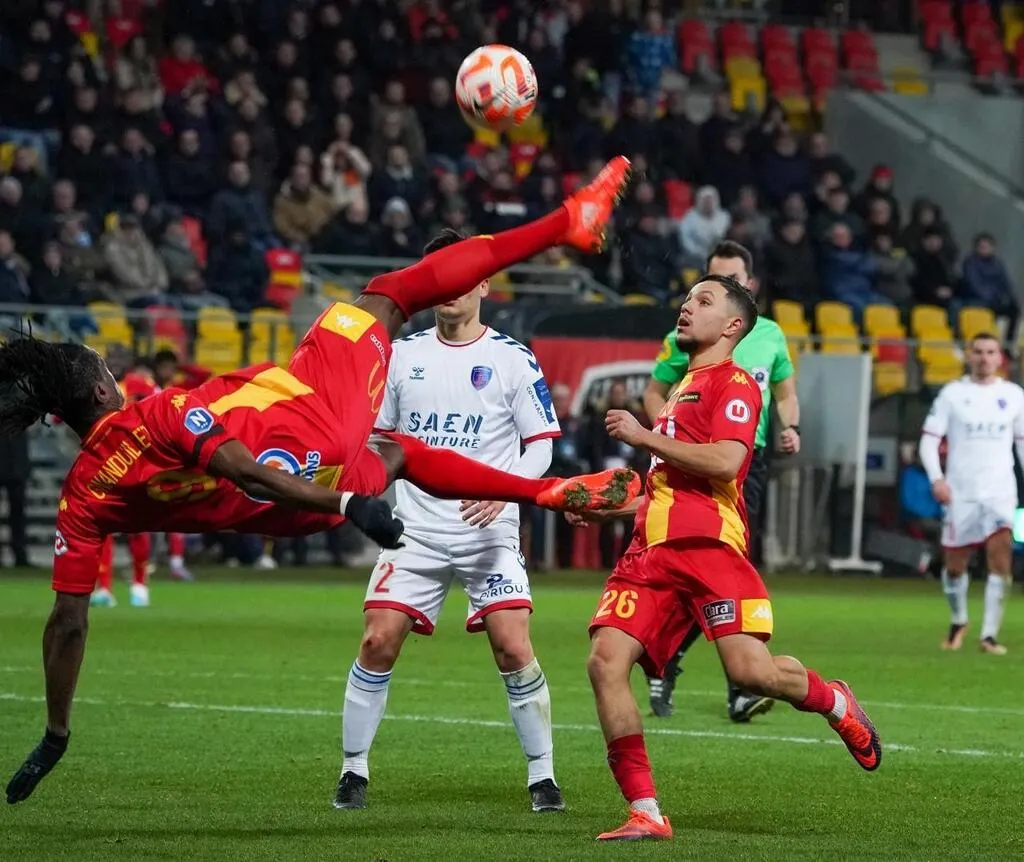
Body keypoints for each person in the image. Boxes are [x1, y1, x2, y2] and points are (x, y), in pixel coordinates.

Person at [4, 156, 641, 805]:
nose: (115, 373)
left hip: (301, 506)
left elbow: (67, 624)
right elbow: (241, 467)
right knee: (393, 291)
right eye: (106, 370)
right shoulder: (158, 412)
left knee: (400, 453)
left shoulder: (82, 497)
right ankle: (569, 221)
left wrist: (56, 732)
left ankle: (545, 491)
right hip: (311, 432)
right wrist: (348, 499)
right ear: (98, 388)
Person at [572, 273, 881, 841]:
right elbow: (665, 486)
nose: (687, 307)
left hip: (709, 548)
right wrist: (605, 509)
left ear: (733, 325)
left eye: (704, 301)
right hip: (650, 553)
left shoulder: (734, 383)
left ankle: (834, 700)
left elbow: (724, 461)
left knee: (752, 674)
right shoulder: (676, 393)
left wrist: (644, 438)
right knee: (604, 662)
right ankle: (645, 810)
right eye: (687, 298)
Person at [336, 230, 565, 813]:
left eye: (460, 276)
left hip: (486, 528)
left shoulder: (512, 357)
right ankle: (353, 771)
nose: (448, 287)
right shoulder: (404, 354)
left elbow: (540, 443)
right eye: (436, 275)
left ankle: (543, 777)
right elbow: (381, 440)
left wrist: (506, 491)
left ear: (483, 284)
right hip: (414, 528)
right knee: (377, 640)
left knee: (513, 647)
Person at [641, 240, 800, 722]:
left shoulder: (768, 335)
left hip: (746, 462)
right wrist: (661, 433)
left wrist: (791, 426)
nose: (720, 286)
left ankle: (680, 662)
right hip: (693, 462)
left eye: (731, 278)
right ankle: (733, 681)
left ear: (749, 284)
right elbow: (655, 392)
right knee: (712, 568)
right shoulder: (684, 336)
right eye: (713, 278)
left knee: (722, 566)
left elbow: (786, 394)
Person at [918, 333, 1024, 655]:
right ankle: (959, 619)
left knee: (1000, 556)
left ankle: (989, 635)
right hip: (961, 492)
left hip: (1000, 491)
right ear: (969, 356)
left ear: (1000, 357)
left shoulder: (1014, 395)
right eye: (978, 352)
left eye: (990, 352)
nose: (984, 358)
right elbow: (929, 440)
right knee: (954, 565)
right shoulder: (953, 394)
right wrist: (937, 479)